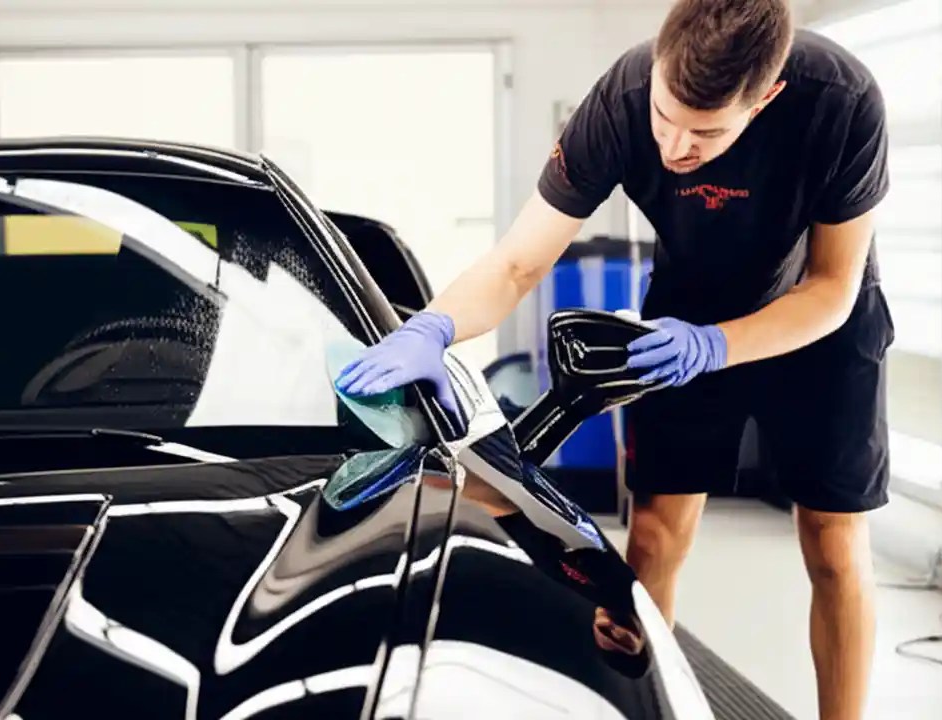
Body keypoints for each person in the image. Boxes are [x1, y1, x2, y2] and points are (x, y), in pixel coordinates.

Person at [333, 1, 893, 718]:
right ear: (658, 67)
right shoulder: (622, 99)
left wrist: (719, 346)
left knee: (833, 541)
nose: (675, 147)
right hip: (686, 309)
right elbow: (516, 263)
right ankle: (637, 703)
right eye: (666, 116)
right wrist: (434, 326)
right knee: (654, 536)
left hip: (817, 323)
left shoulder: (843, 102)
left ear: (766, 98)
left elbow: (833, 287)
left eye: (706, 131)